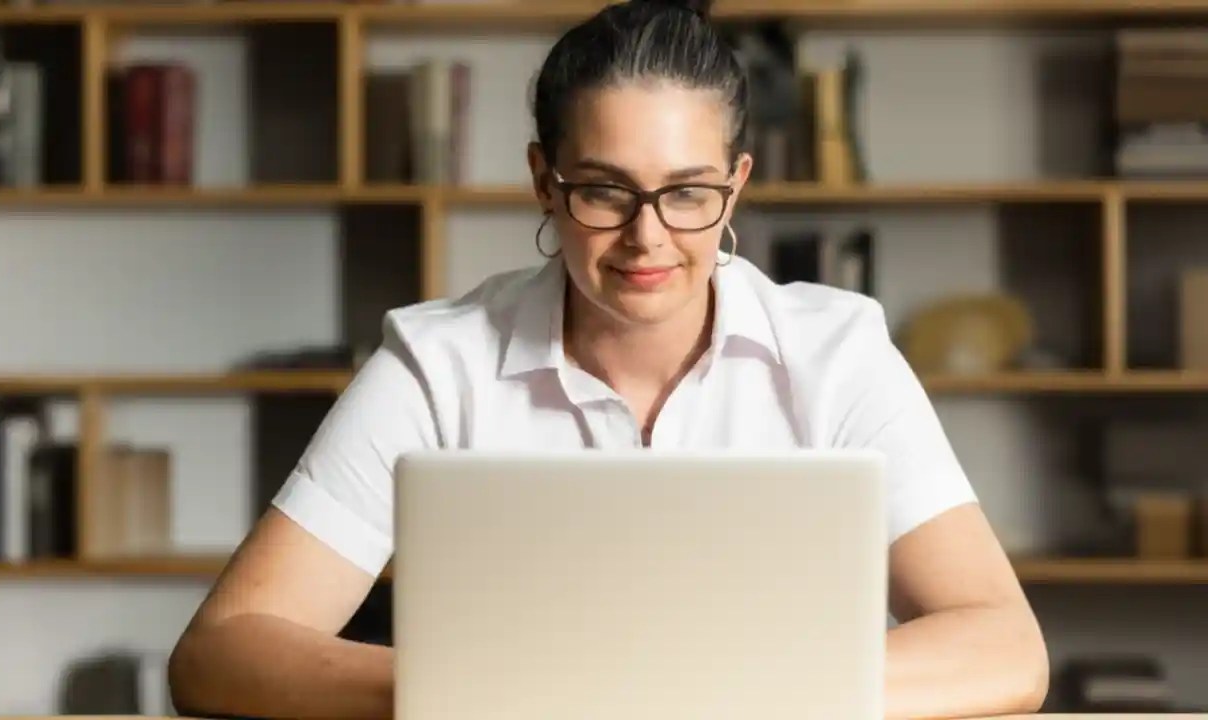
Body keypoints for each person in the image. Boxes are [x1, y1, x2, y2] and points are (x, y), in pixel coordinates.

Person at [167, 0, 1049, 717]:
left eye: (688, 193)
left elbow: (1004, 645)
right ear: (545, 181)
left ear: (736, 184)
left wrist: (718, 700)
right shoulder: (438, 363)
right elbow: (221, 650)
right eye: (604, 190)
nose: (647, 236)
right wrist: (472, 696)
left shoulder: (838, 350)